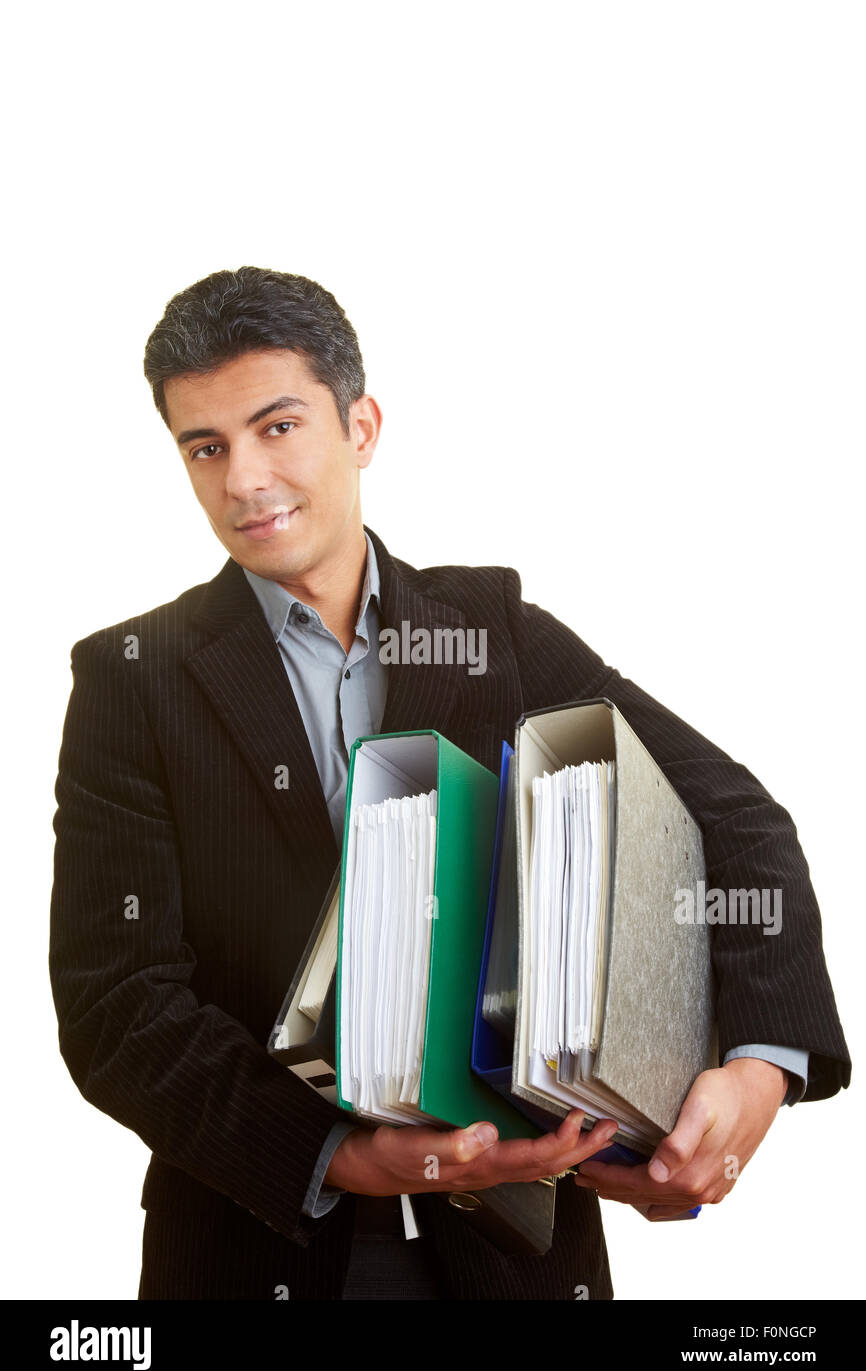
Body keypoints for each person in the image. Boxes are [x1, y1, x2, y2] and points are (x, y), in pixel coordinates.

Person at [49, 267, 851, 1301]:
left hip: (514, 1256)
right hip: (261, 1244)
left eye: (277, 426)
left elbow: (734, 820)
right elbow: (117, 1004)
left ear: (361, 425)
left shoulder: (494, 630)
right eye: (205, 447)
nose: (243, 477)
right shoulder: (133, 679)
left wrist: (754, 1069)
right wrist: (338, 1153)